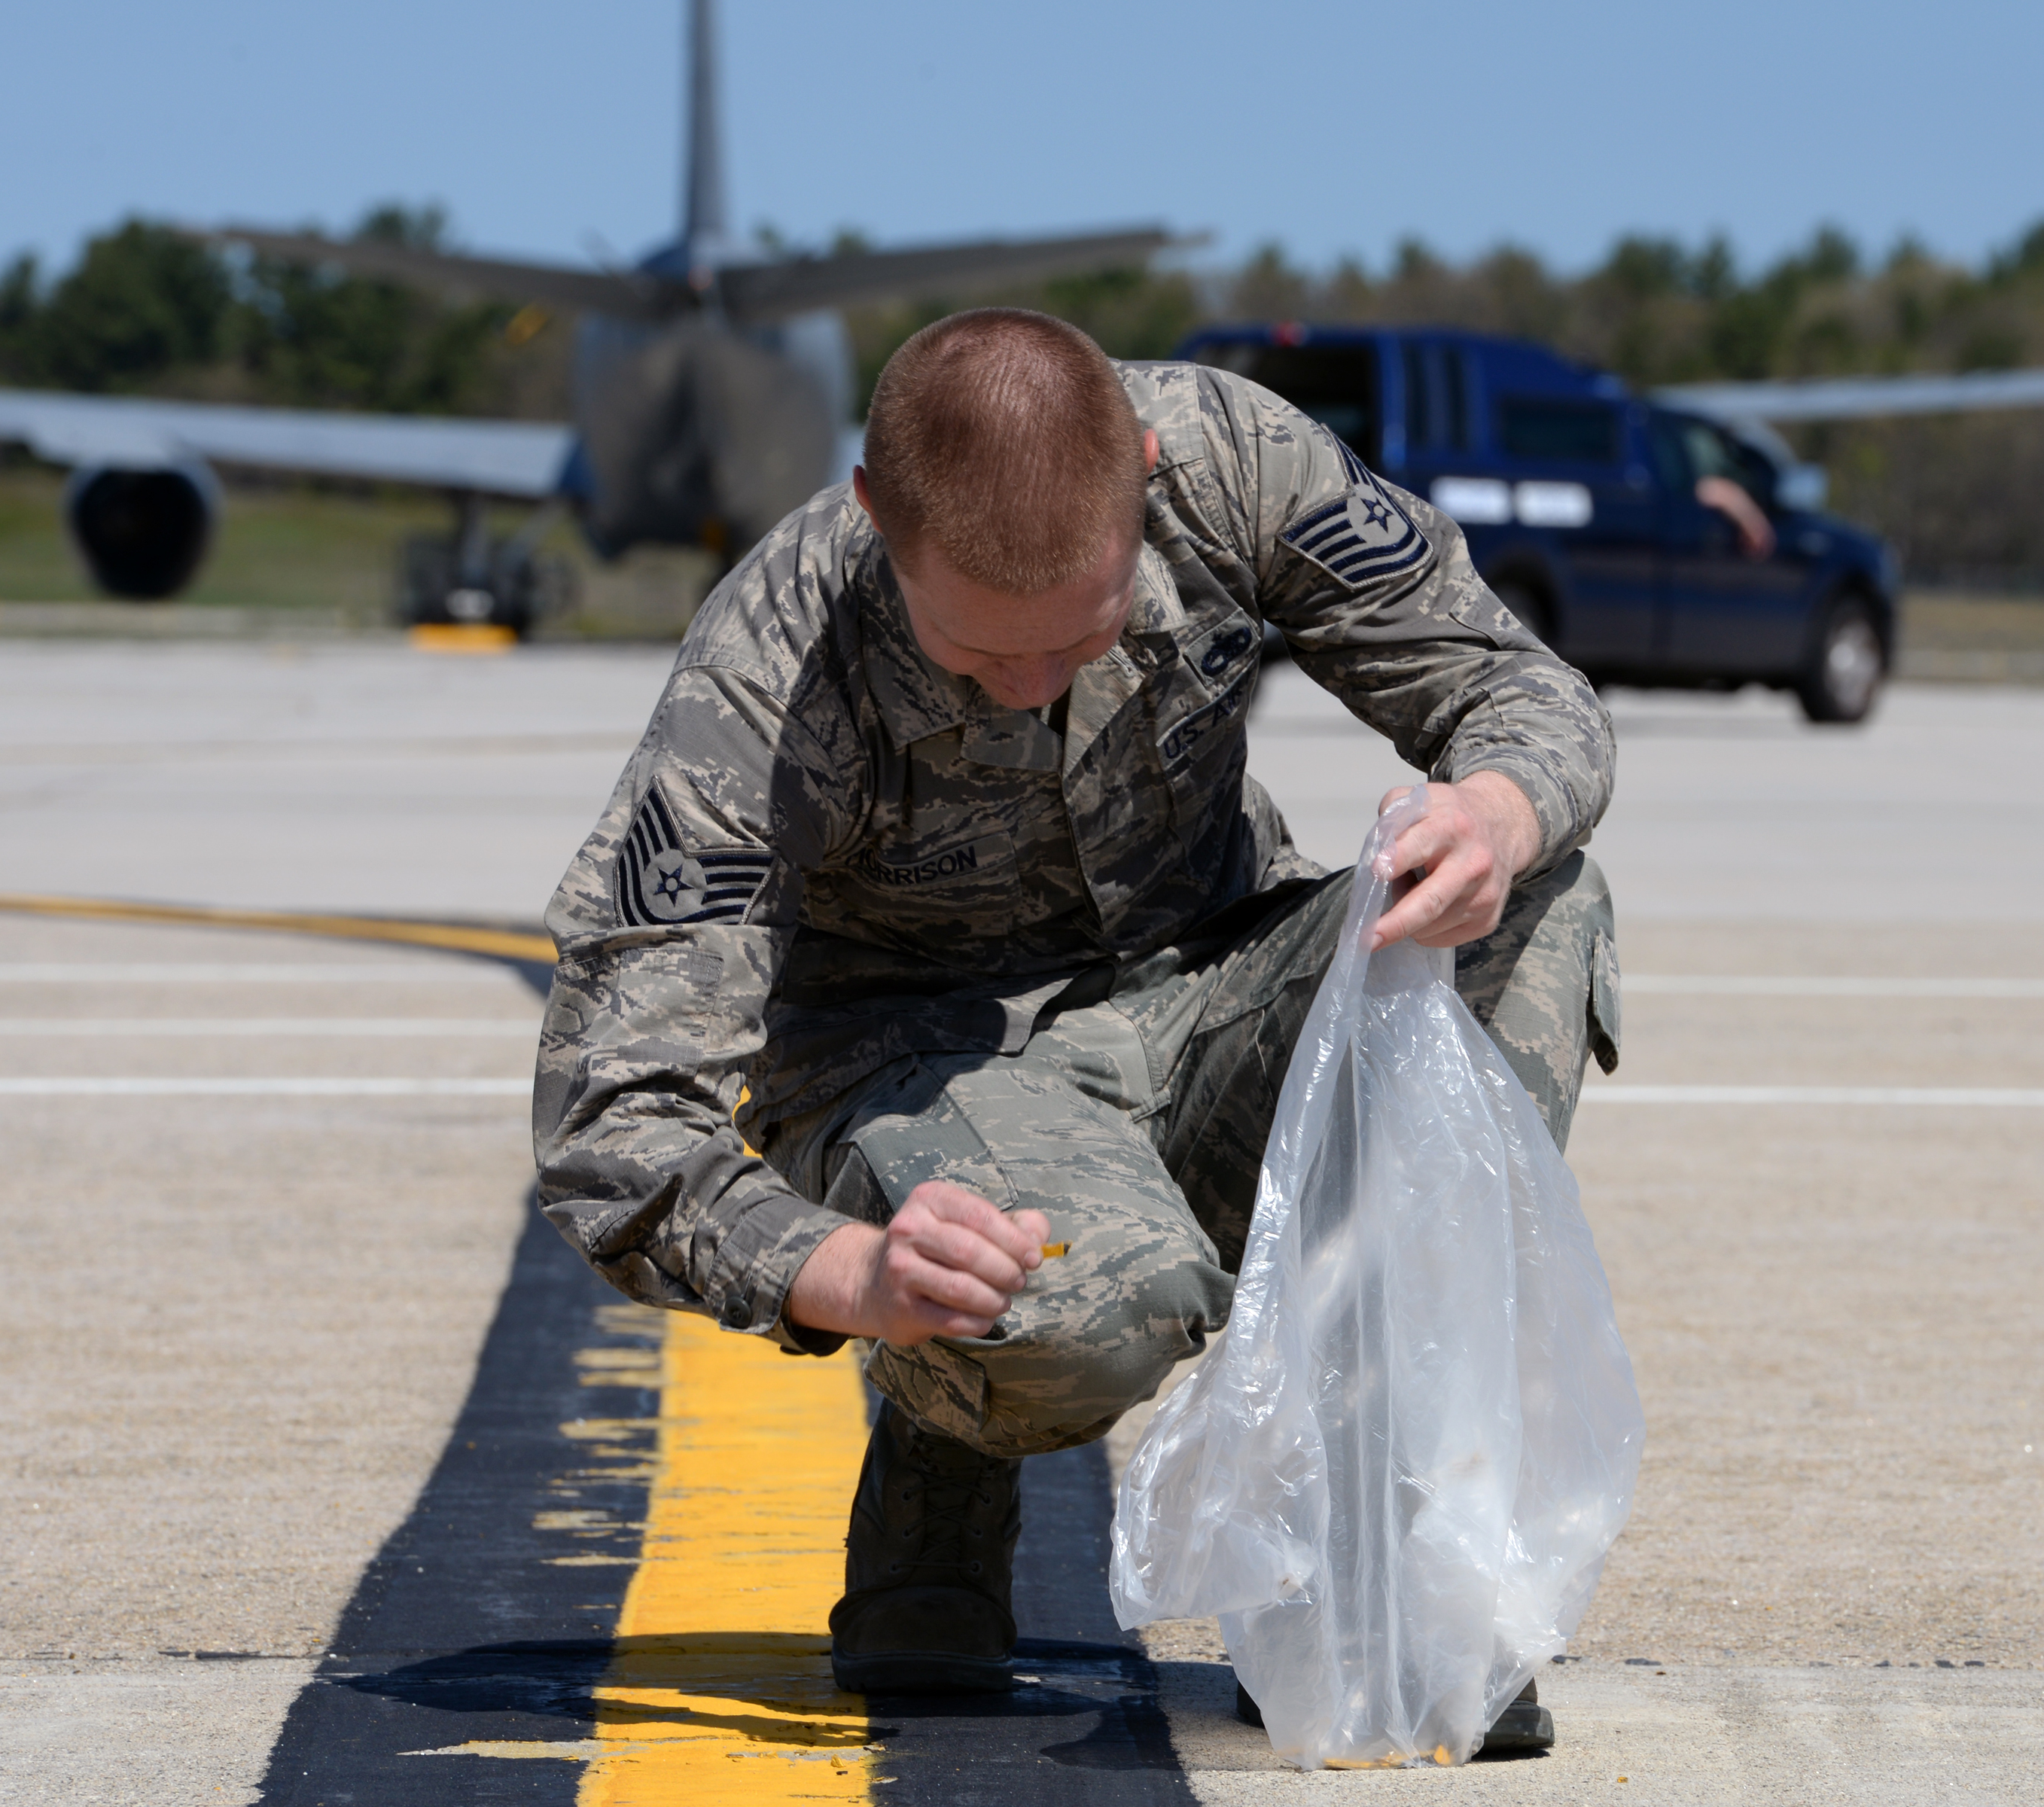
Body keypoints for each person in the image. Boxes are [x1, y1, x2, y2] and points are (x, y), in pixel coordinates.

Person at [532, 309, 1619, 1742]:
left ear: (1147, 473)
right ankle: (942, 1449)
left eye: (1084, 632)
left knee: (1538, 899)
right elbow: (616, 1119)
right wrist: (850, 1274)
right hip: (920, 1064)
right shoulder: (768, 671)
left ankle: (1358, 1567)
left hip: (1210, 978)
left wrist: (1493, 809)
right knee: (1088, 1316)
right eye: (978, 651)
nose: (1035, 682)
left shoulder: (1233, 463)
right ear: (875, 518)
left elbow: (1515, 684)